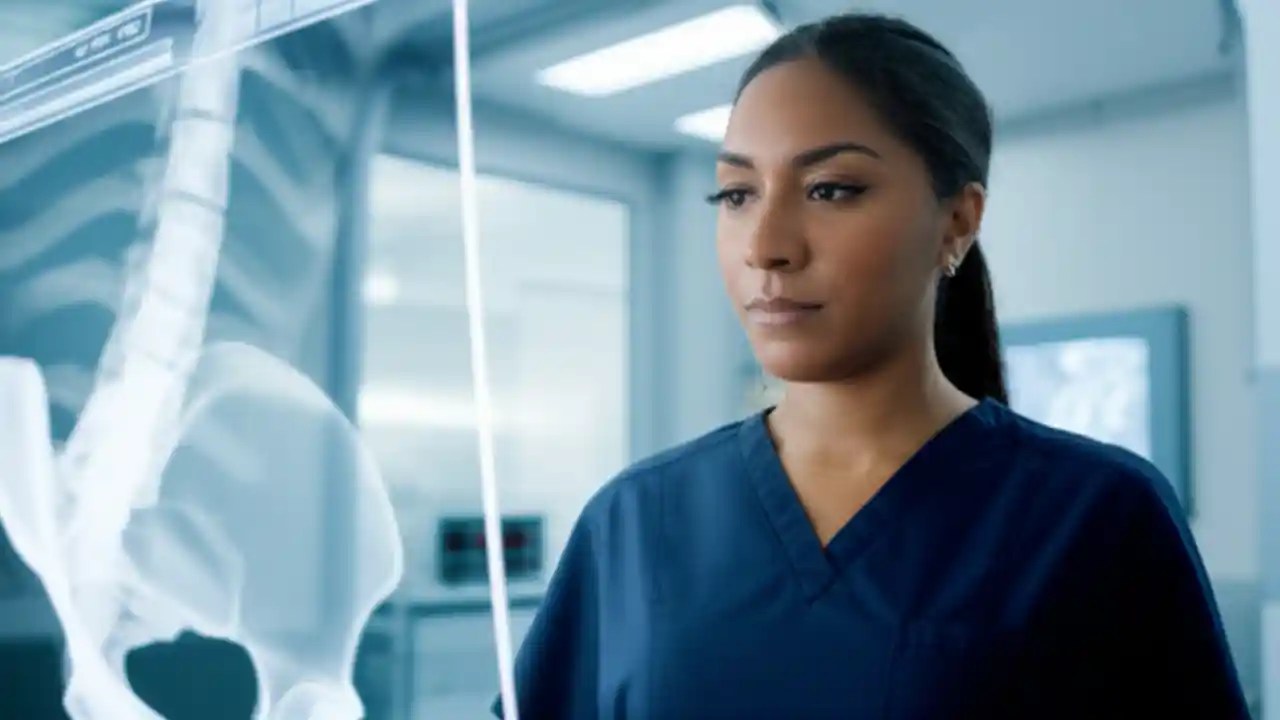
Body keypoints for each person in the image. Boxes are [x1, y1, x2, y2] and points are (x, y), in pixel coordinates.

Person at [496, 12, 1249, 719]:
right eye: (736, 193)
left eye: (831, 190)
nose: (766, 246)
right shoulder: (635, 521)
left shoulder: (1097, 517)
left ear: (958, 220)